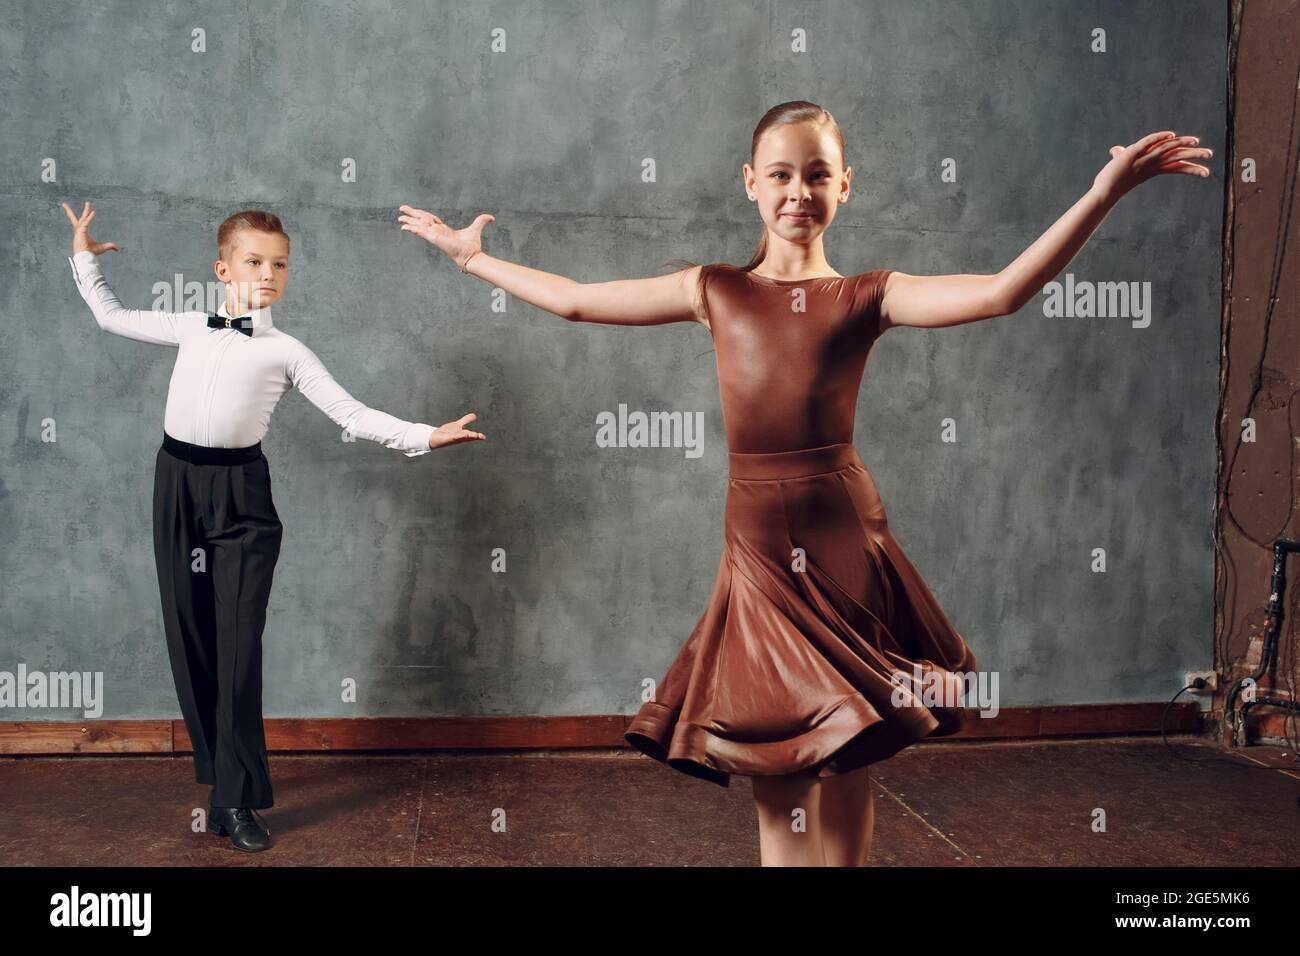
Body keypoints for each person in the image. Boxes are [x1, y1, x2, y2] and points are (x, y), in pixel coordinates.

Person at [397, 100, 1211, 866]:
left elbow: (1002, 292)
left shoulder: (867, 295)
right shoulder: (714, 289)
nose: (799, 192)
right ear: (750, 182)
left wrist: (1104, 192)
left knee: (849, 743)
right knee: (777, 750)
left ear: (844, 185)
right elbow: (576, 302)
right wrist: (476, 260)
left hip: (844, 537)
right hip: (755, 546)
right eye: (781, 174)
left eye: (818, 174)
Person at [61, 202, 485, 852]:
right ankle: (220, 778)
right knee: (189, 636)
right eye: (253, 261)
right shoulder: (191, 326)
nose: (267, 273)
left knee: (236, 653)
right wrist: (84, 256)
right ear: (222, 267)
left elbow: (352, 412)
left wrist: (426, 436)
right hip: (175, 485)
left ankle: (234, 800)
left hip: (241, 501)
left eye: (278, 263)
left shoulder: (287, 351)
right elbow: (109, 315)